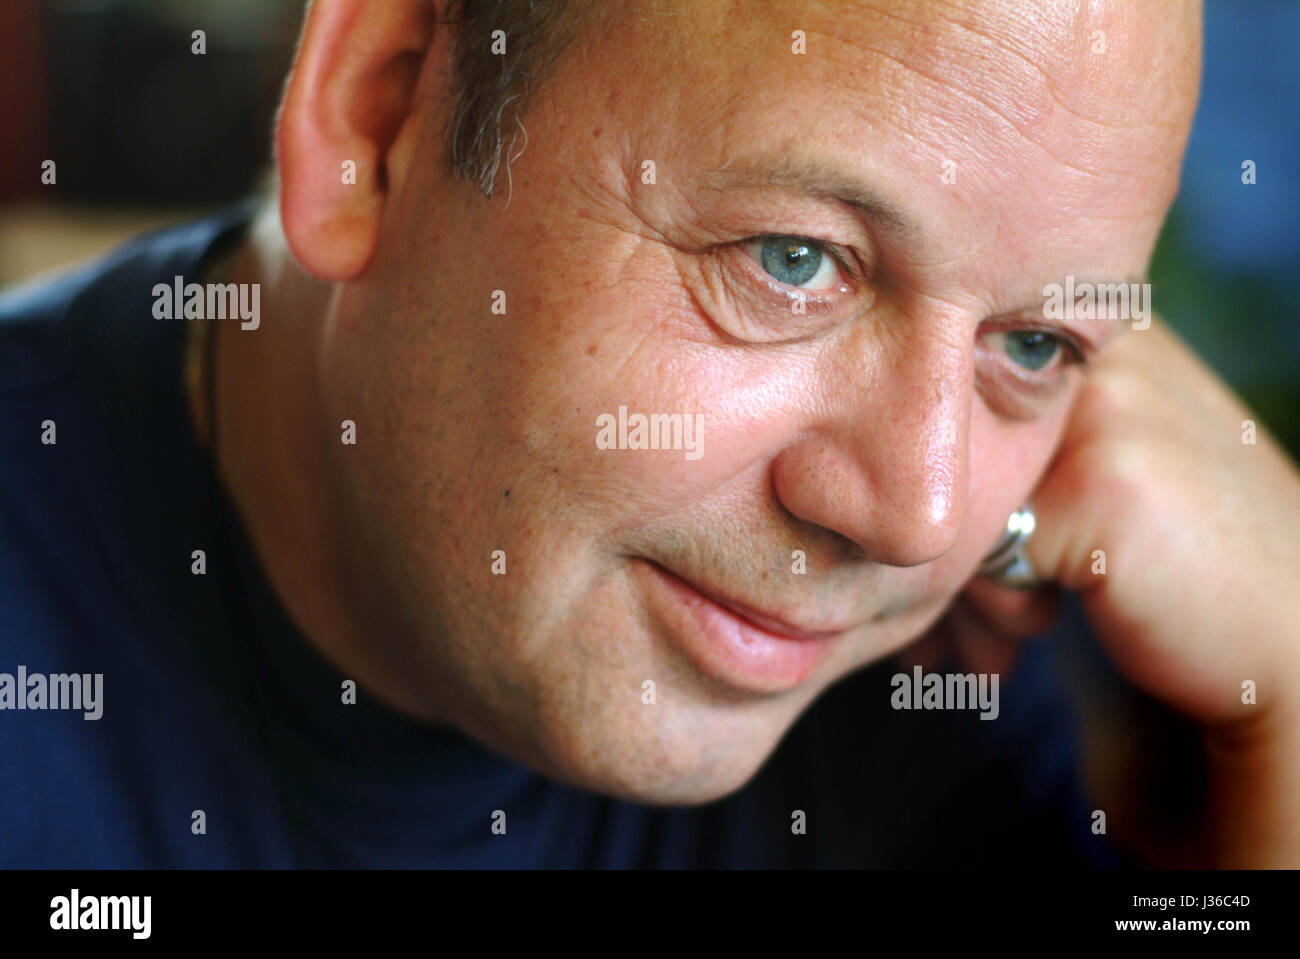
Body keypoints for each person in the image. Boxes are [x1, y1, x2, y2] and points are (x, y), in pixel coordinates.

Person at [1, 0, 1295, 868]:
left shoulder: (921, 699)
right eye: (796, 260)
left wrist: (1276, 715)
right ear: (379, 116)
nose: (921, 515)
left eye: (1033, 345)